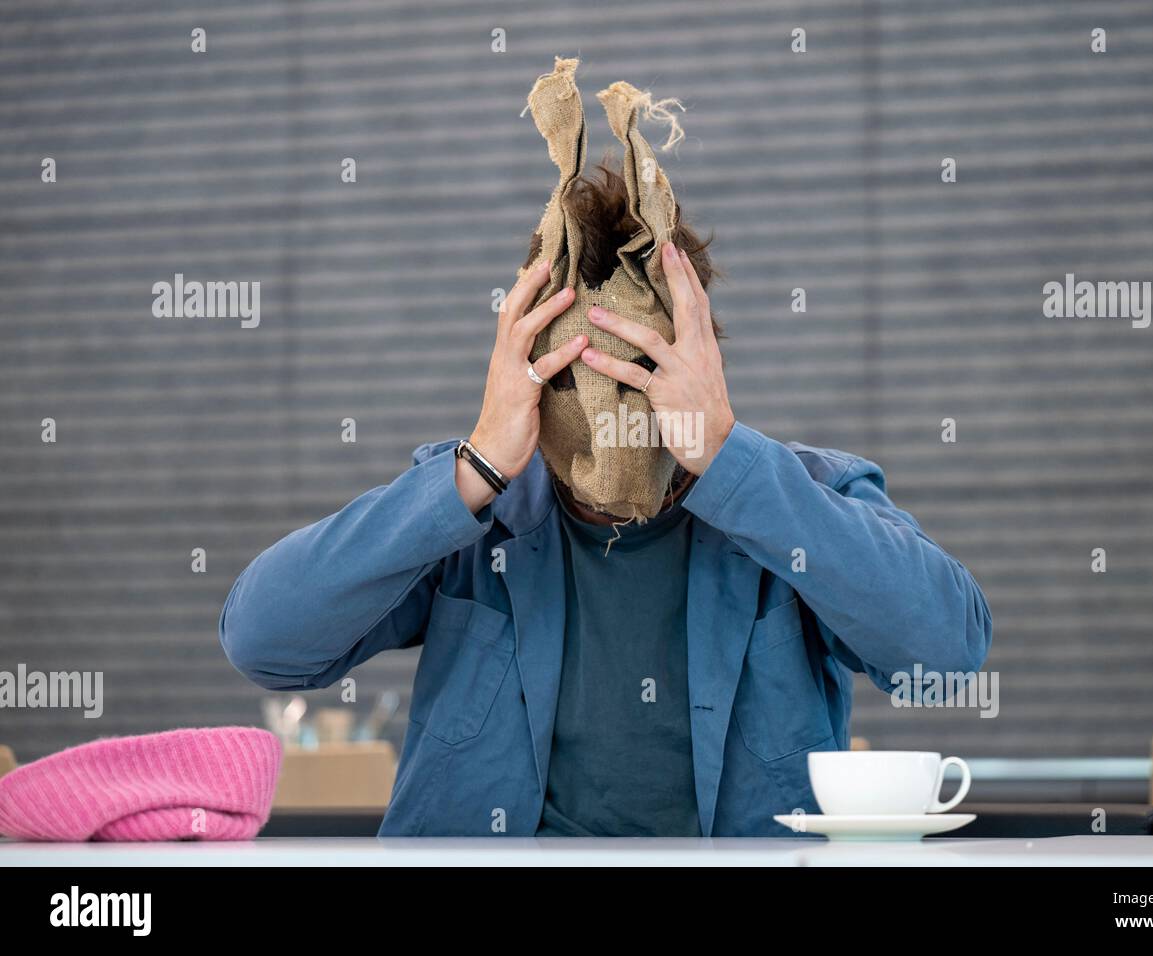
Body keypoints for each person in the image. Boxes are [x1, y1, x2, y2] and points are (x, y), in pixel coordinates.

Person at [219, 160, 993, 838]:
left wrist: (729, 460)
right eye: (572, 377)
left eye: (637, 375)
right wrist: (476, 466)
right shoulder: (470, 515)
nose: (606, 412)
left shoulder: (807, 496)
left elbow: (949, 659)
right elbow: (264, 639)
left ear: (701, 361)